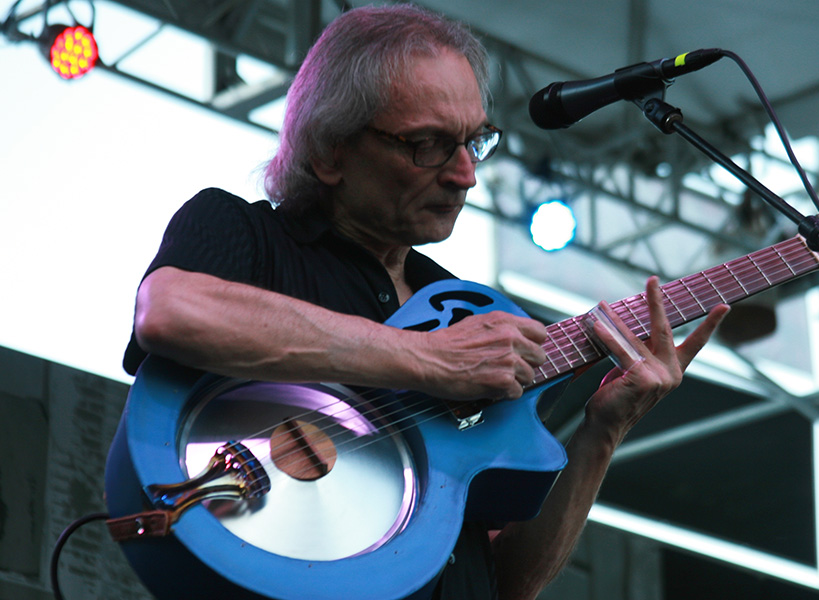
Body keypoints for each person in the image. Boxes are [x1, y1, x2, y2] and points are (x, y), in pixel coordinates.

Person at [123, 4, 730, 599]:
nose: (466, 174)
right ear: (330, 150)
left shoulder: (473, 317)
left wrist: (604, 431)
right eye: (428, 144)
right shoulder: (244, 231)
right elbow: (172, 312)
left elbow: (508, 583)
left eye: (475, 141)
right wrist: (430, 360)